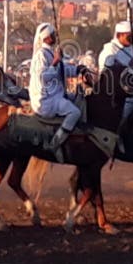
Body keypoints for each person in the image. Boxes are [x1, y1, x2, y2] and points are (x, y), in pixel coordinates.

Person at [30, 22, 82, 161]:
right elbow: (43, 77)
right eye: (53, 34)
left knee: (79, 98)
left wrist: (78, 70)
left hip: (55, 94)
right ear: (46, 38)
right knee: (75, 112)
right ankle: (55, 143)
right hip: (46, 101)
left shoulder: (50, 52)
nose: (55, 36)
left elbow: (62, 70)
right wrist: (55, 62)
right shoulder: (41, 55)